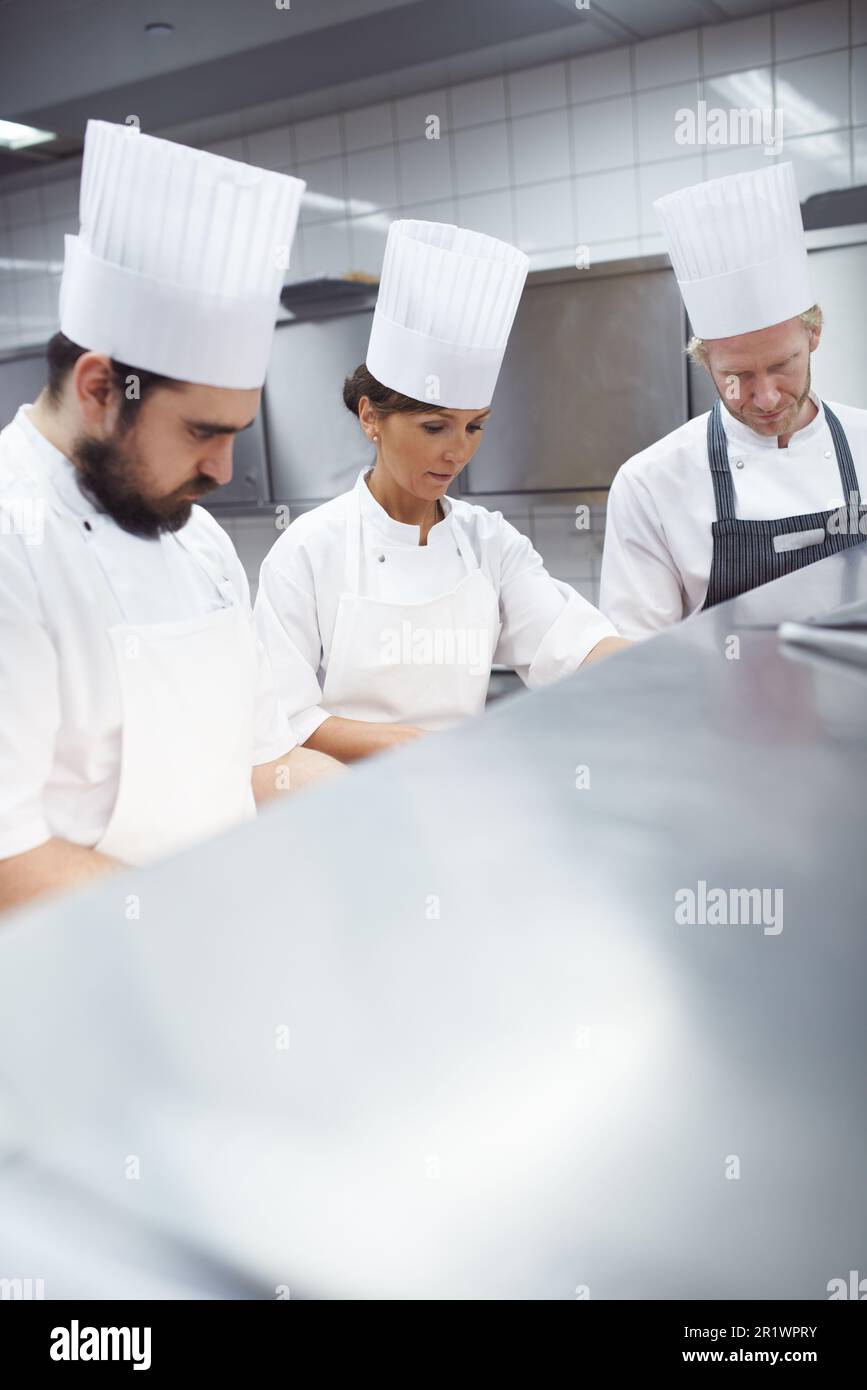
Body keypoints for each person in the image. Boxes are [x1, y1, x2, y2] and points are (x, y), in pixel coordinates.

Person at [0, 120, 339, 916]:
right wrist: (208, 930)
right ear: (96, 390)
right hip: (80, 986)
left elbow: (261, 761)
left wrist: (406, 821)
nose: (222, 472)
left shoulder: (193, 533)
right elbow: (10, 860)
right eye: (201, 433)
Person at [254, 219, 628, 763]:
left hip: (460, 793)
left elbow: (570, 643)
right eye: (435, 427)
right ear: (371, 418)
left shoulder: (488, 543)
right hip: (343, 805)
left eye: (475, 426)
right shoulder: (309, 550)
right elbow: (282, 719)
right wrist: (416, 747)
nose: (458, 451)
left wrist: (671, 669)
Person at [600, 162, 867, 639]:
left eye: (783, 365)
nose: (764, 397)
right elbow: (636, 662)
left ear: (815, 334)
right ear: (704, 361)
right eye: (737, 375)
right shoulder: (650, 484)